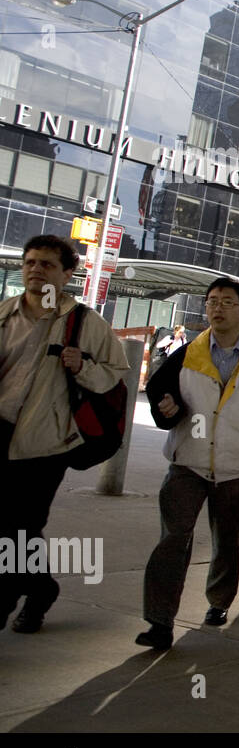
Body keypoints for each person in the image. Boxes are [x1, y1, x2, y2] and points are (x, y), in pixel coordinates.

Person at [137, 278, 239, 649]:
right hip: (186, 462)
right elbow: (160, 391)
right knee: (173, 539)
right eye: (211, 302)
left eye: (226, 302)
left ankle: (219, 601)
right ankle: (159, 621)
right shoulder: (189, 352)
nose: (216, 308)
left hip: (236, 467)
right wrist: (167, 409)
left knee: (226, 540)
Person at [0, 235, 129, 633]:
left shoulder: (84, 322)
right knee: (13, 529)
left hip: (46, 441)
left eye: (47, 265)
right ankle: (41, 589)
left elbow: (116, 375)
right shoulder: (5, 313)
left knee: (19, 526)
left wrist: (83, 367)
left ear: (68, 273)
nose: (35, 270)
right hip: (0, 430)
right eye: (30, 262)